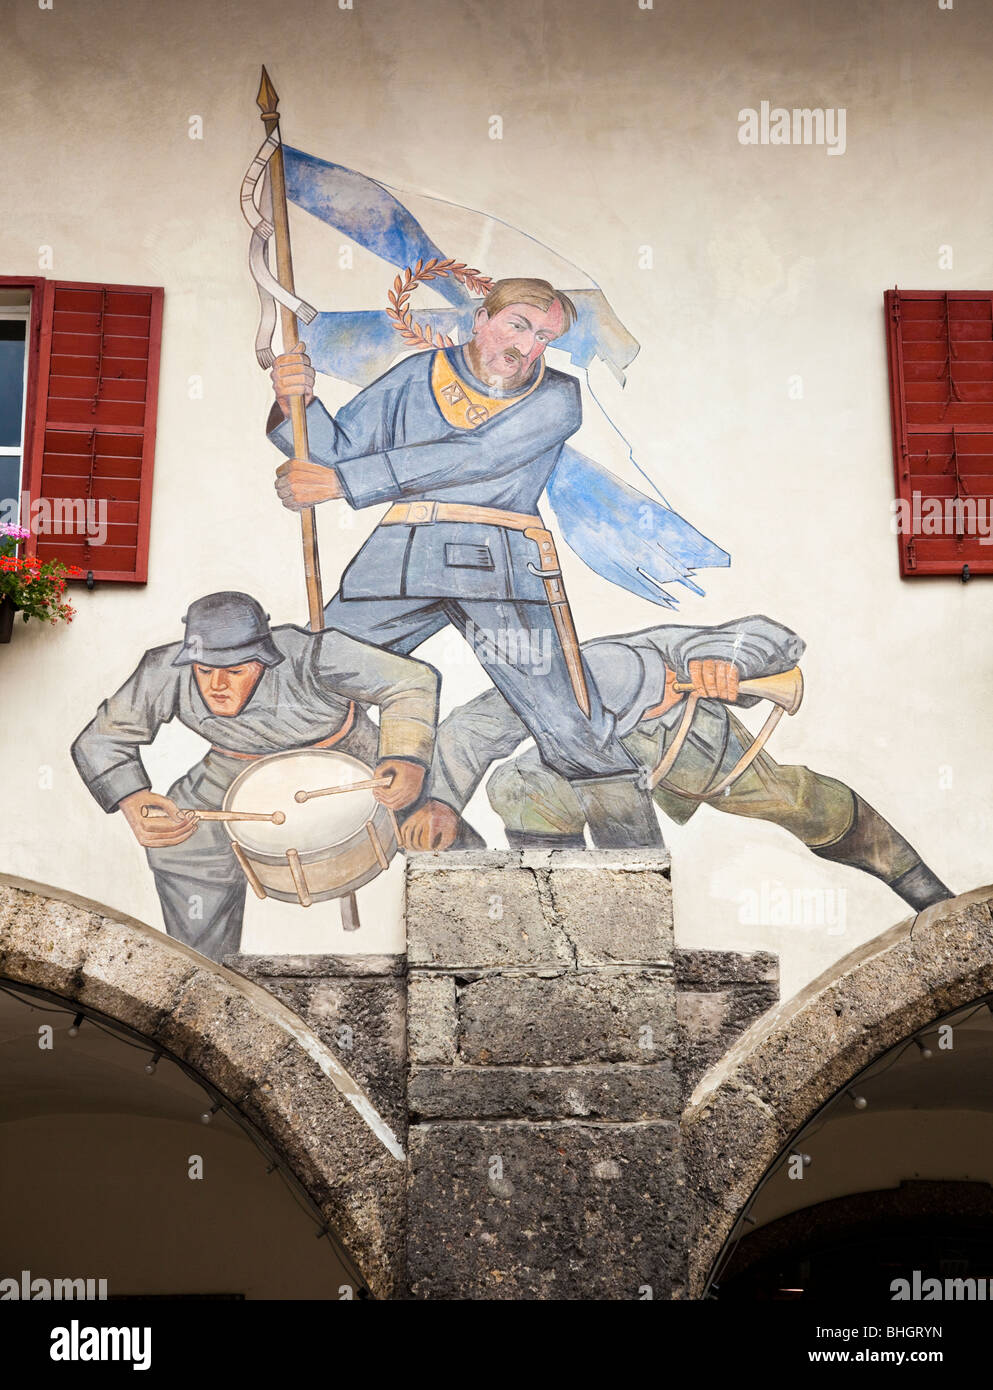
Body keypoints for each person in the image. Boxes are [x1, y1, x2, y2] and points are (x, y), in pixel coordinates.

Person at [266, 276, 663, 849]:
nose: (527, 347)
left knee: (568, 724)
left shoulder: (558, 396)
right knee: (310, 676)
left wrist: (344, 483)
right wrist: (296, 403)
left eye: (544, 337)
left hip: (498, 569)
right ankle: (395, 834)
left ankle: (635, 861)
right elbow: (340, 452)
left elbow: (477, 454)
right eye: (518, 326)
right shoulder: (415, 374)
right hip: (398, 561)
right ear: (480, 319)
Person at [401, 614, 952, 912]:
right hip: (592, 769)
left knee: (793, 800)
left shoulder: (667, 646)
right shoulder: (541, 683)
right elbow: (469, 729)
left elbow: (769, 637)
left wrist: (725, 661)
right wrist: (442, 801)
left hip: (687, 740)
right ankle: (558, 906)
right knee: (519, 784)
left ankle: (916, 883)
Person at [71, 591, 439, 961]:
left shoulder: (314, 653)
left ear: (263, 660)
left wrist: (406, 756)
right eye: (205, 671)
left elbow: (411, 680)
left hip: (346, 754)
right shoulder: (166, 667)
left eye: (234, 671)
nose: (216, 685)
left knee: (434, 827)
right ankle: (206, 971)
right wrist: (130, 798)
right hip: (234, 764)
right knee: (181, 845)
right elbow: (101, 737)